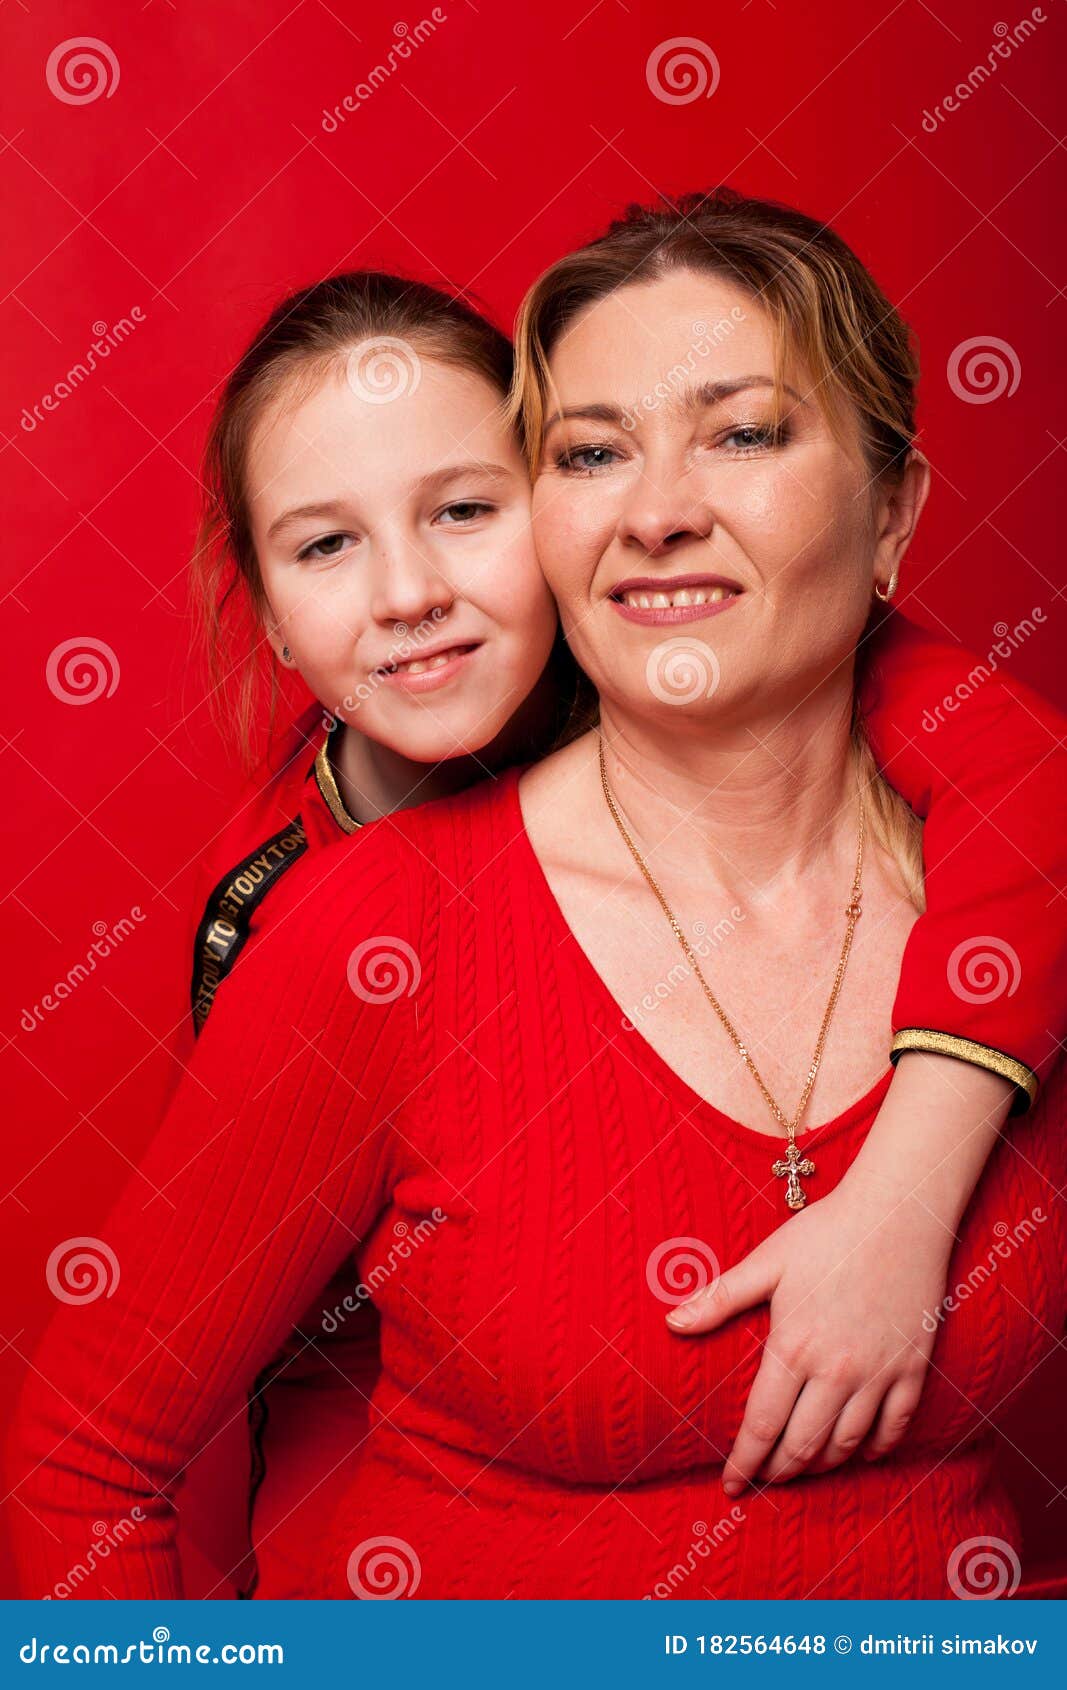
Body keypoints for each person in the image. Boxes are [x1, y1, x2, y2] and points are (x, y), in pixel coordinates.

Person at [9, 196, 1065, 1598]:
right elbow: (130, 1437)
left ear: (893, 513)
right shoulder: (334, 918)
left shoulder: (974, 813)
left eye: (744, 432)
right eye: (596, 452)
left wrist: (901, 1192)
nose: (413, 595)